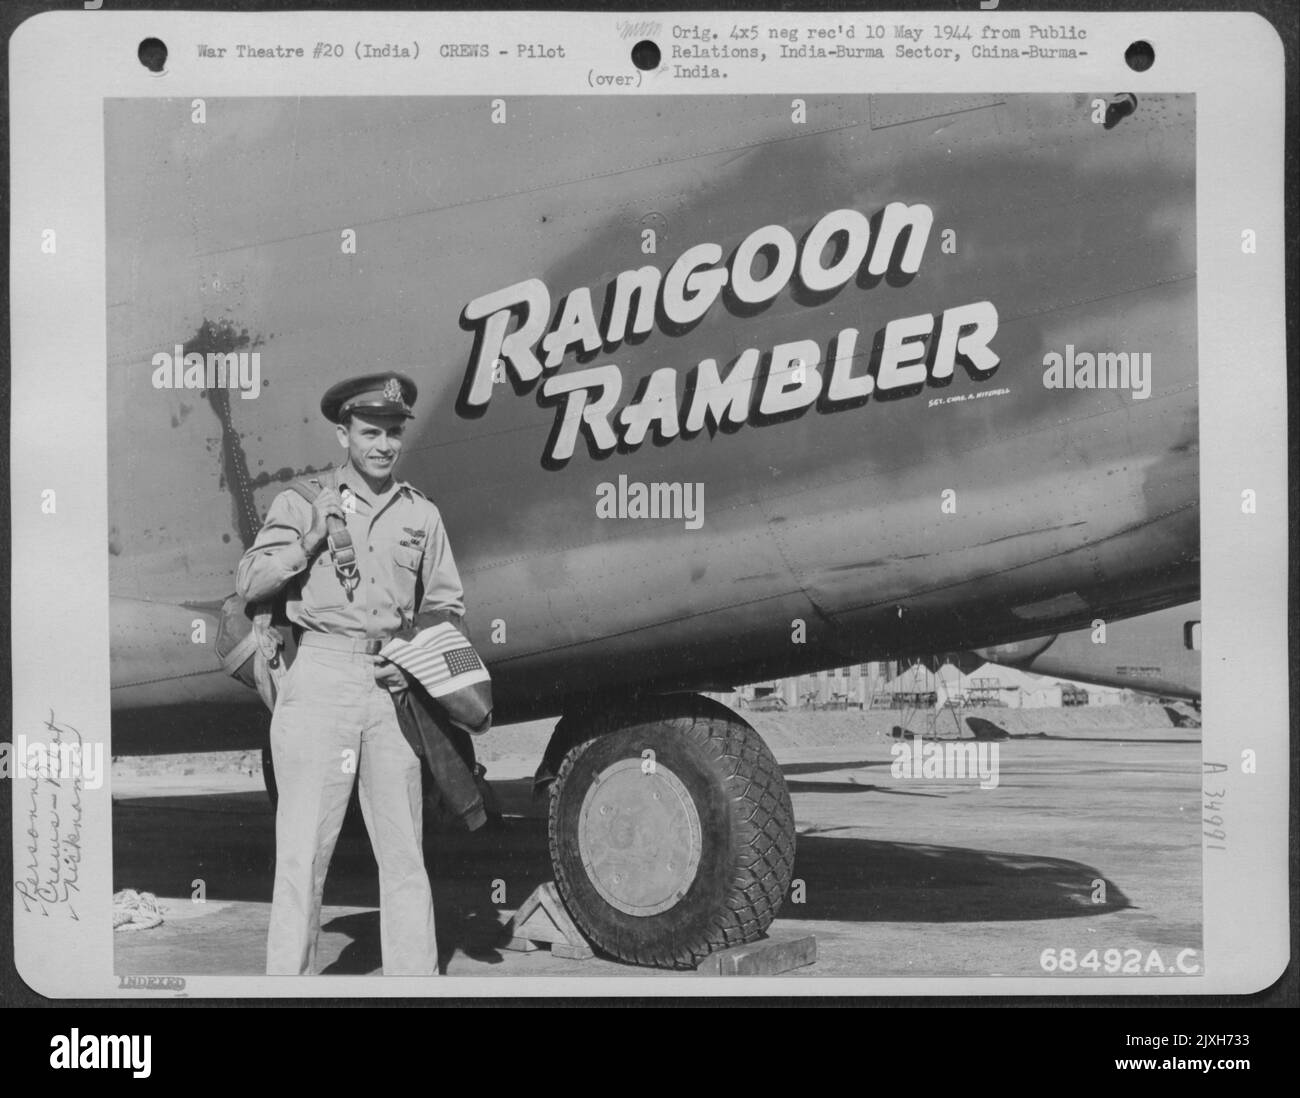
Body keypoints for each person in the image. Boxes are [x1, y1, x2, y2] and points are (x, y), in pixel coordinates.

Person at [236, 372, 465, 976]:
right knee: (303, 853)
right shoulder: (299, 502)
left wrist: (412, 661)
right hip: (320, 677)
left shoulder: (422, 514)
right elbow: (251, 584)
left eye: (393, 432)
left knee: (405, 855)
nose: (384, 444)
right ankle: (288, 988)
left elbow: (446, 607)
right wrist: (310, 539)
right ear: (343, 433)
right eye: (370, 432)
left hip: (394, 688)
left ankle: (412, 985)